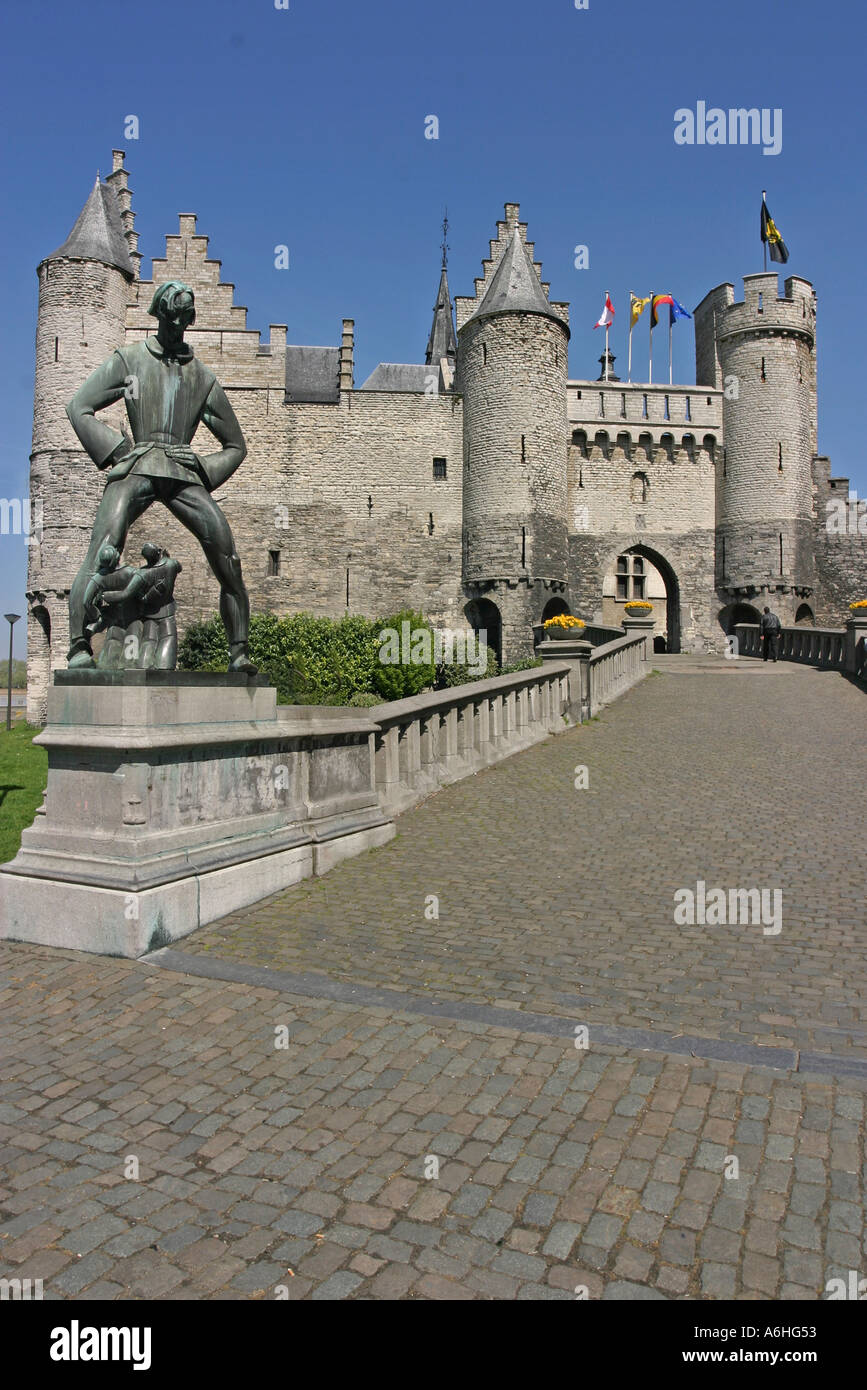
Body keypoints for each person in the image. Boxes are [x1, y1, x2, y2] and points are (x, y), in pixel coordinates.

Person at [64, 281, 256, 673]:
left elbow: (236, 446)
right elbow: (79, 406)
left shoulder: (202, 378)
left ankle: (239, 653)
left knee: (227, 554)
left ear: (189, 320)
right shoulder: (130, 359)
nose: (176, 326)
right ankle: (79, 644)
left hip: (182, 472)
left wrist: (202, 465)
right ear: (159, 315)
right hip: (138, 464)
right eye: (171, 317)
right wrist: (118, 450)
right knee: (105, 544)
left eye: (184, 319)